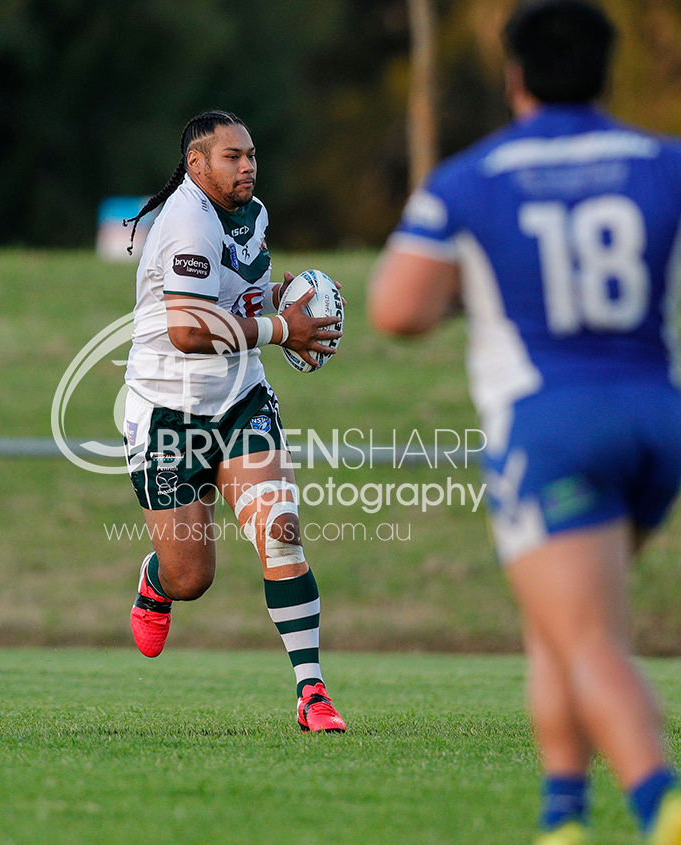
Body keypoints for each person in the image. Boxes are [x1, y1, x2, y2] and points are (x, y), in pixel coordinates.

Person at [368, 1, 681, 841]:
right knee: (561, 621)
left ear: (515, 79)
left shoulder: (472, 179)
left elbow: (397, 311)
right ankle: (563, 815)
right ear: (607, 73)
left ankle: (662, 802)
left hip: (552, 423)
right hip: (658, 416)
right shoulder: (664, 161)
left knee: (586, 638)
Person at [121, 110, 346, 732]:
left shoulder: (251, 210)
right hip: (168, 411)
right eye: (232, 157)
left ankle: (312, 692)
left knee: (281, 529)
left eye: (251, 155)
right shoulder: (187, 220)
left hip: (239, 397)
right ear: (197, 165)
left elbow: (238, 291)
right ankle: (156, 581)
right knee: (193, 577)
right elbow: (189, 330)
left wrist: (282, 297)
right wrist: (283, 329)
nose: (247, 166)